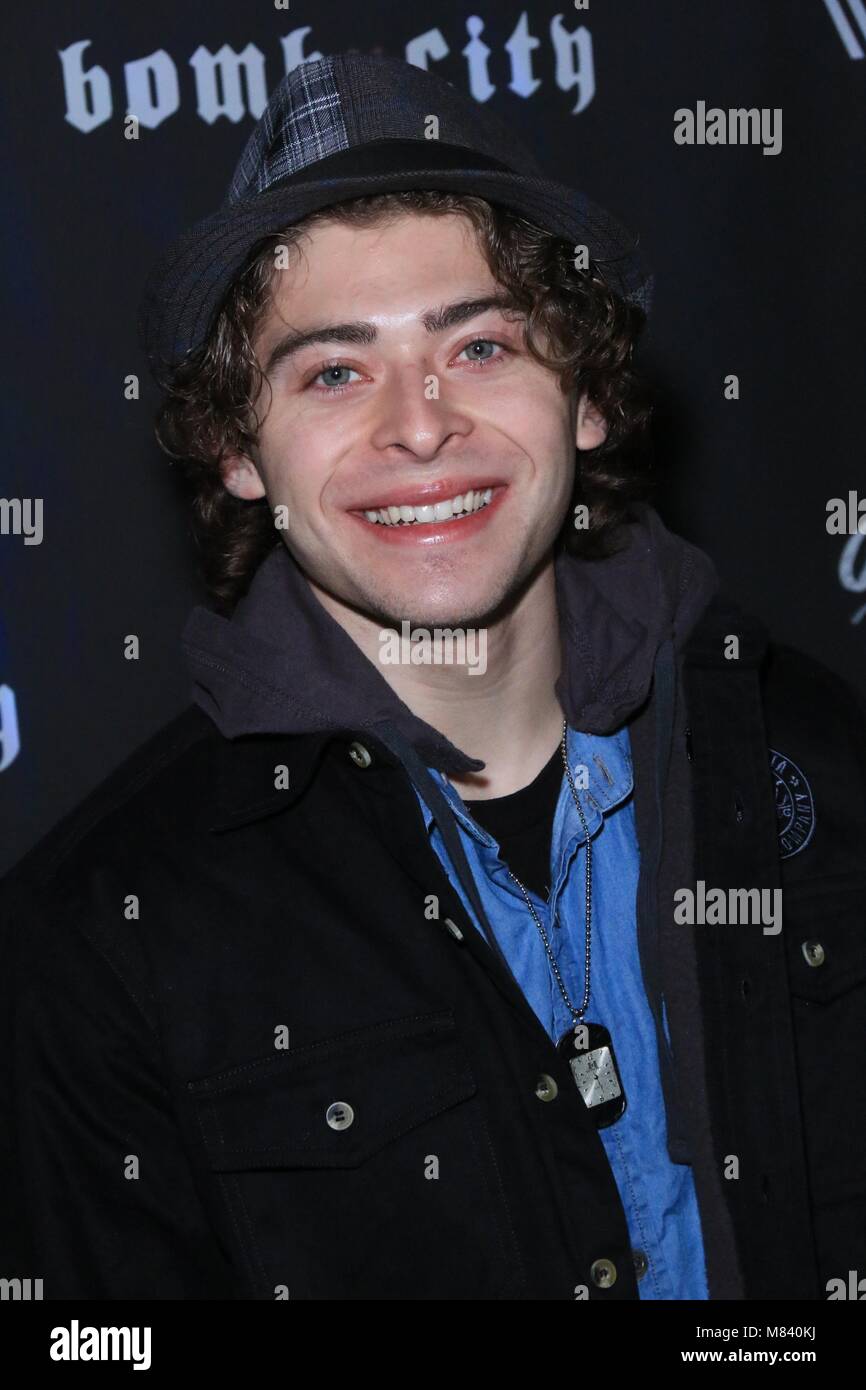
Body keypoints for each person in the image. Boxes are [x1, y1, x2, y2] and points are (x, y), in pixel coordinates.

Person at [1, 52, 864, 1302]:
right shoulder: (97, 945)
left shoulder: (817, 759)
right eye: (334, 371)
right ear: (242, 451)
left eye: (481, 345)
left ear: (583, 398)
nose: (418, 424)